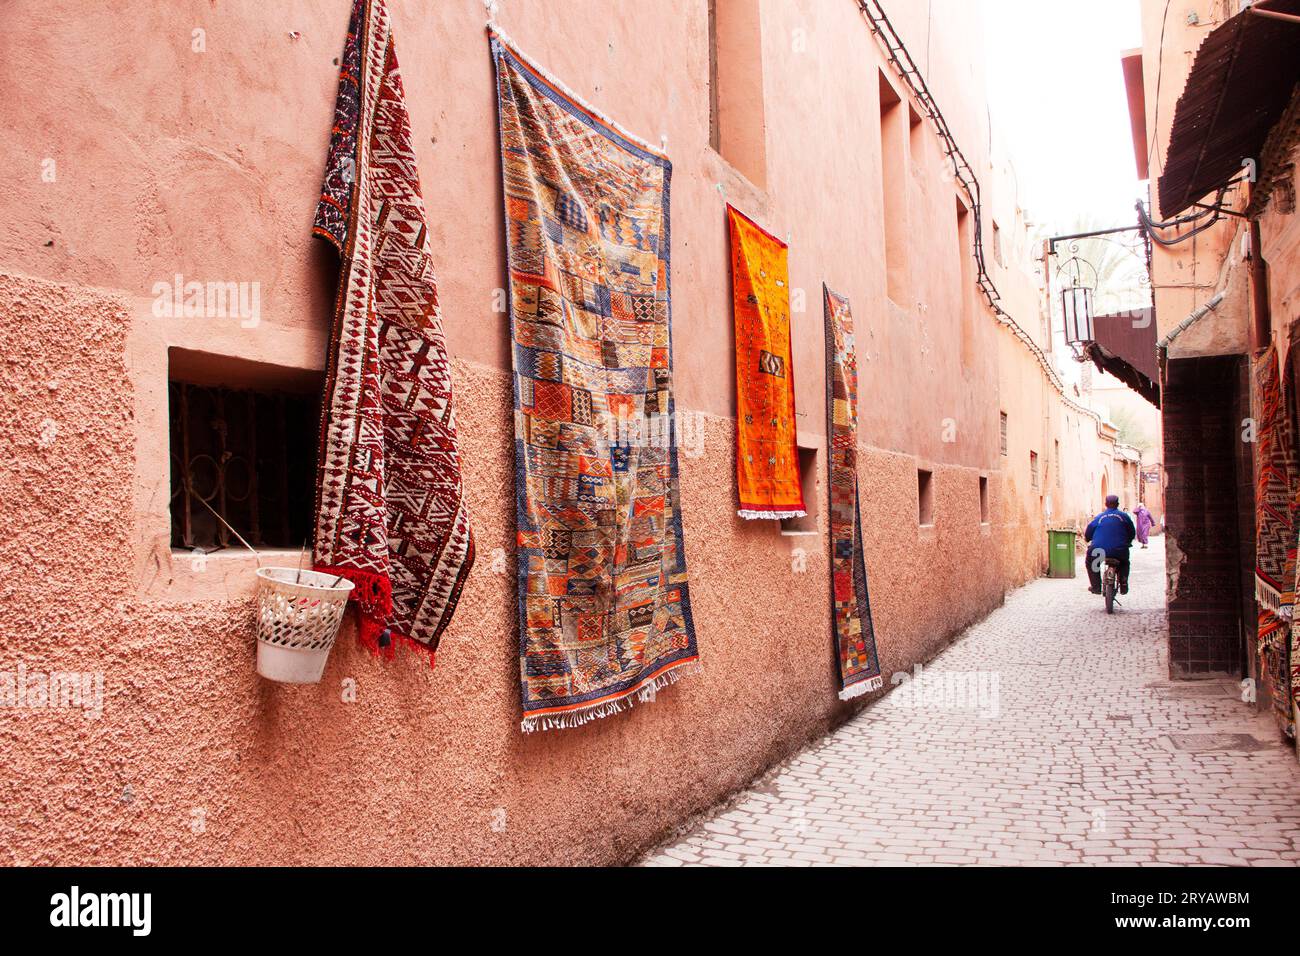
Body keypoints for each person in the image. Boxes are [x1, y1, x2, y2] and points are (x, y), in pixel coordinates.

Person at [1085, 494, 1136, 595]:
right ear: (1118, 504)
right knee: (1125, 562)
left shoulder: (1099, 517)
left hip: (1099, 550)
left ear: (1105, 504)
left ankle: (1096, 586)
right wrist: (1128, 542)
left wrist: (1088, 539)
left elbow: (1089, 532)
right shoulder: (1124, 516)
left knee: (1092, 563)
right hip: (1119, 550)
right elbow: (1132, 532)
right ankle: (1124, 582)